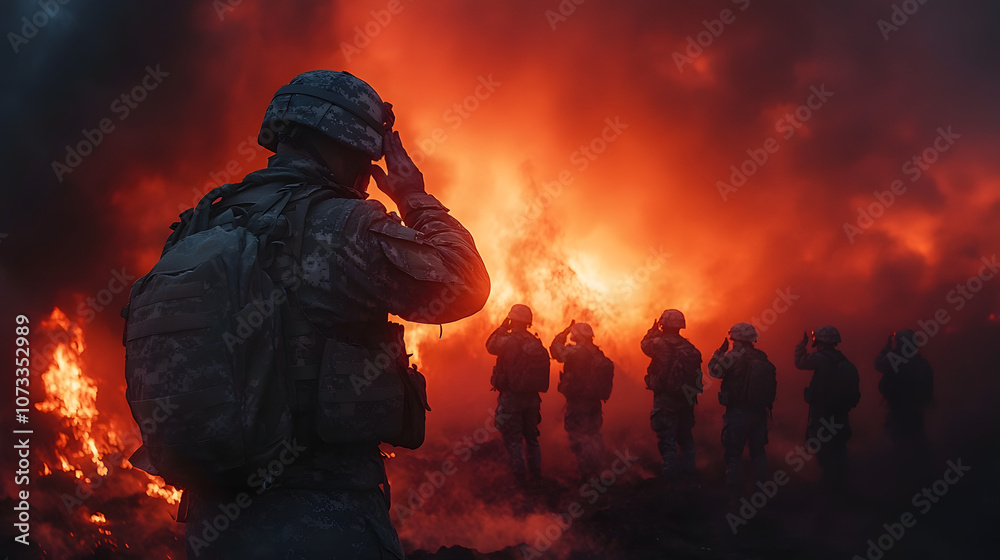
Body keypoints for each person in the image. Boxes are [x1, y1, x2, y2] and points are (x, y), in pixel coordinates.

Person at [180, 70, 491, 559]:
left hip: (212, 523)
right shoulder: (344, 225)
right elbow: (464, 285)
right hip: (322, 516)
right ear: (350, 147)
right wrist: (413, 197)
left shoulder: (203, 220)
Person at [708, 322, 776, 495]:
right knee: (758, 452)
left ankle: (735, 491)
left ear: (734, 338)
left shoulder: (733, 356)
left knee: (733, 453)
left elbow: (714, 371)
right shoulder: (761, 356)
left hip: (738, 411)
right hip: (759, 412)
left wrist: (719, 353)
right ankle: (761, 489)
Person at [486, 304, 549, 485]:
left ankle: (519, 478)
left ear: (512, 320)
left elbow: (490, 345)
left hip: (512, 397)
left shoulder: (509, 341)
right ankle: (536, 476)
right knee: (532, 438)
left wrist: (502, 327)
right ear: (528, 322)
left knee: (513, 439)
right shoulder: (535, 342)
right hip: (533, 398)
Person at [794, 326, 860, 490]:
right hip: (840, 412)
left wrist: (801, 346)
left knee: (823, 449)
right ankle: (844, 483)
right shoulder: (843, 360)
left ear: (819, 341)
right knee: (839, 447)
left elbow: (800, 363)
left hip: (823, 412)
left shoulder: (819, 358)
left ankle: (830, 486)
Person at [640, 309, 703, 484]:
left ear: (663, 324)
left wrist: (652, 332)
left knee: (667, 439)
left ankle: (671, 479)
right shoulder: (689, 347)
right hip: (686, 399)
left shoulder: (659, 344)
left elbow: (644, 345)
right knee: (685, 437)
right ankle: (689, 475)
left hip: (666, 399)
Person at [550, 321, 613, 478]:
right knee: (593, 434)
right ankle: (599, 467)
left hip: (578, 402)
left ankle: (587, 473)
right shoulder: (598, 353)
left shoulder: (577, 351)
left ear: (576, 336)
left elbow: (556, 352)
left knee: (578, 436)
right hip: (594, 402)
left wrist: (563, 334)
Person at [875, 329, 934, 475]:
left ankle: (908, 474)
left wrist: (887, 347)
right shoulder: (920, 362)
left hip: (899, 409)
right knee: (917, 439)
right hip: (916, 409)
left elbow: (878, 364)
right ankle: (924, 472)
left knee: (901, 443)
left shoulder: (895, 359)